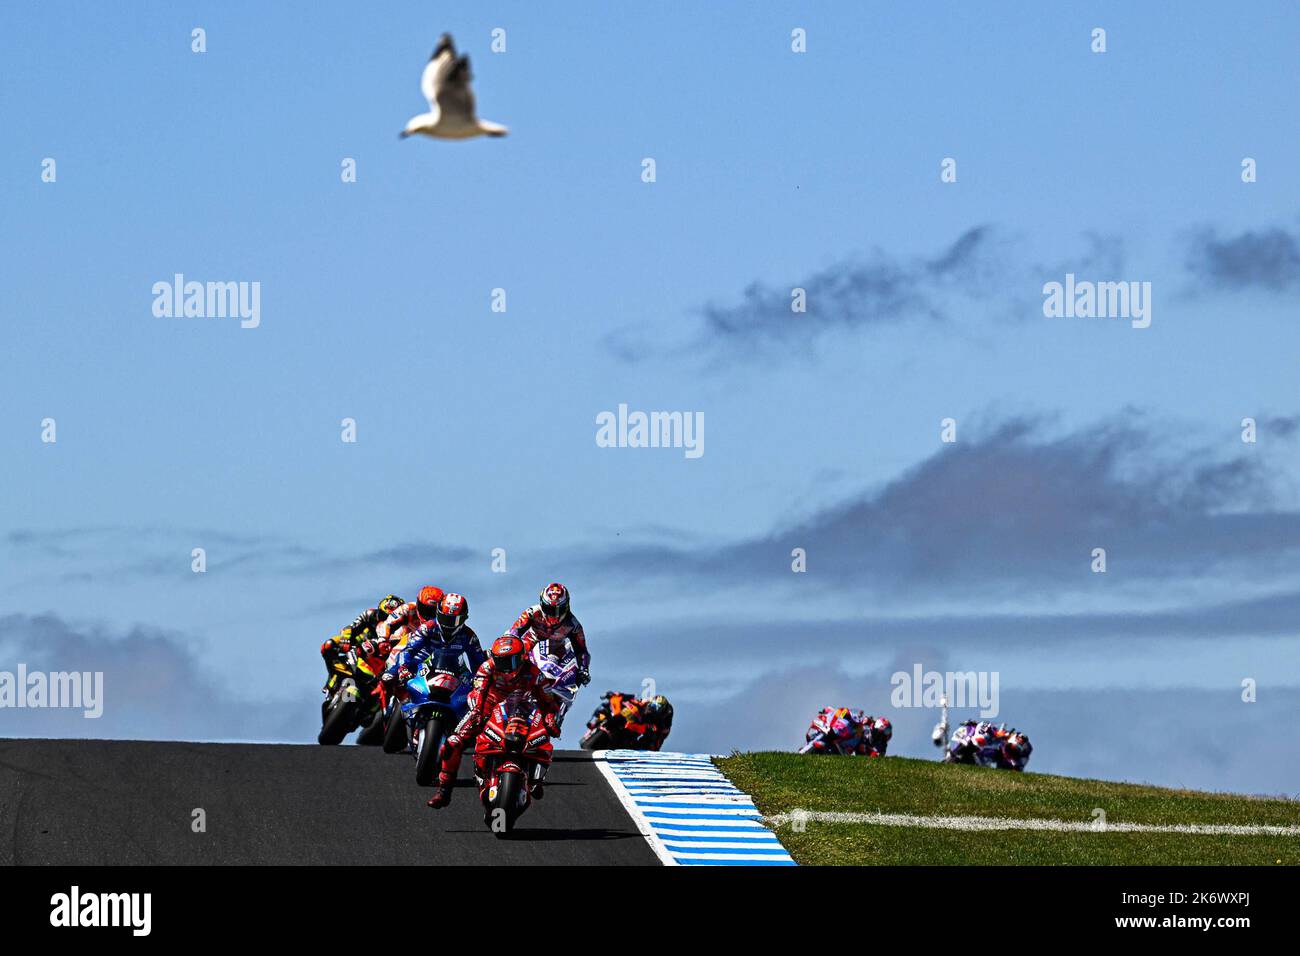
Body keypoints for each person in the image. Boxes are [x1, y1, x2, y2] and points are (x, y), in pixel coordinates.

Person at [426, 635, 562, 809]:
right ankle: (444, 791)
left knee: (543, 737)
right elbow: (479, 691)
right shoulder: (487, 667)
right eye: (500, 660)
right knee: (452, 744)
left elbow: (548, 700)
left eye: (509, 661)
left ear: (521, 658)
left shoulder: (534, 673)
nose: (504, 667)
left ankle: (535, 781)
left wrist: (550, 718)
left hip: (522, 711)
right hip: (487, 708)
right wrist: (477, 712)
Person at [381, 592, 485, 689]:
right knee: (389, 677)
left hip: (456, 668)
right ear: (438, 614)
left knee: (477, 688)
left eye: (453, 620)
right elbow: (409, 650)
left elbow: (478, 665)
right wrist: (403, 668)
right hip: (422, 662)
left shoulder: (469, 636)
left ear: (463, 618)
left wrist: (477, 681)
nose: (448, 624)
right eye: (444, 618)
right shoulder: (428, 627)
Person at [504, 583, 591, 688]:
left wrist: (584, 669)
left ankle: (555, 697)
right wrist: (509, 646)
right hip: (531, 645)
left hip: (555, 653)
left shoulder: (573, 625)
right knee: (510, 658)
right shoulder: (532, 613)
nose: (554, 615)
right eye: (550, 609)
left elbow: (582, 650)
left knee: (574, 676)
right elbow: (514, 631)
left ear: (567, 606)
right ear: (542, 604)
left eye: (559, 610)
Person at [319, 594, 404, 691]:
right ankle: (332, 676)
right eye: (382, 615)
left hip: (374, 657)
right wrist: (345, 639)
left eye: (387, 618)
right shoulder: (369, 614)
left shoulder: (399, 630)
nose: (383, 621)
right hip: (354, 644)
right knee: (328, 645)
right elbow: (349, 628)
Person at [588, 691, 674, 751]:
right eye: (651, 707)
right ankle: (595, 722)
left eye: (655, 710)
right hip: (634, 718)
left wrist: (654, 745)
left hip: (644, 726)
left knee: (652, 744)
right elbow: (634, 699)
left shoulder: (667, 715)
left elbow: (664, 732)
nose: (652, 710)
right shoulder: (647, 701)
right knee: (606, 707)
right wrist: (618, 695)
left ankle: (631, 745)